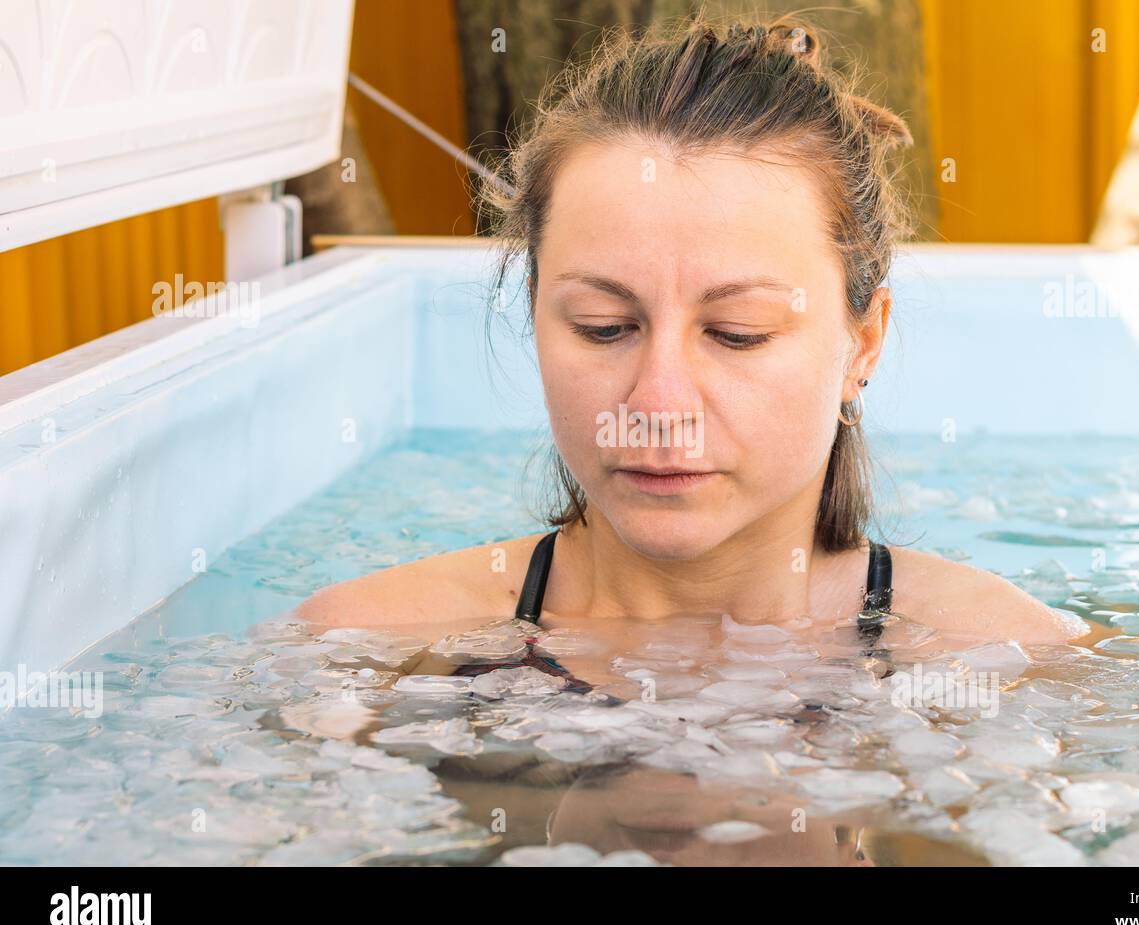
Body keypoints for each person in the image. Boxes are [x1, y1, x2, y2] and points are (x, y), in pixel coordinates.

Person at [297, 15, 1084, 660]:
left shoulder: (1006, 661)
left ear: (863, 345)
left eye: (737, 334)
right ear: (536, 316)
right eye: (604, 328)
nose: (658, 400)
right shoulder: (364, 653)